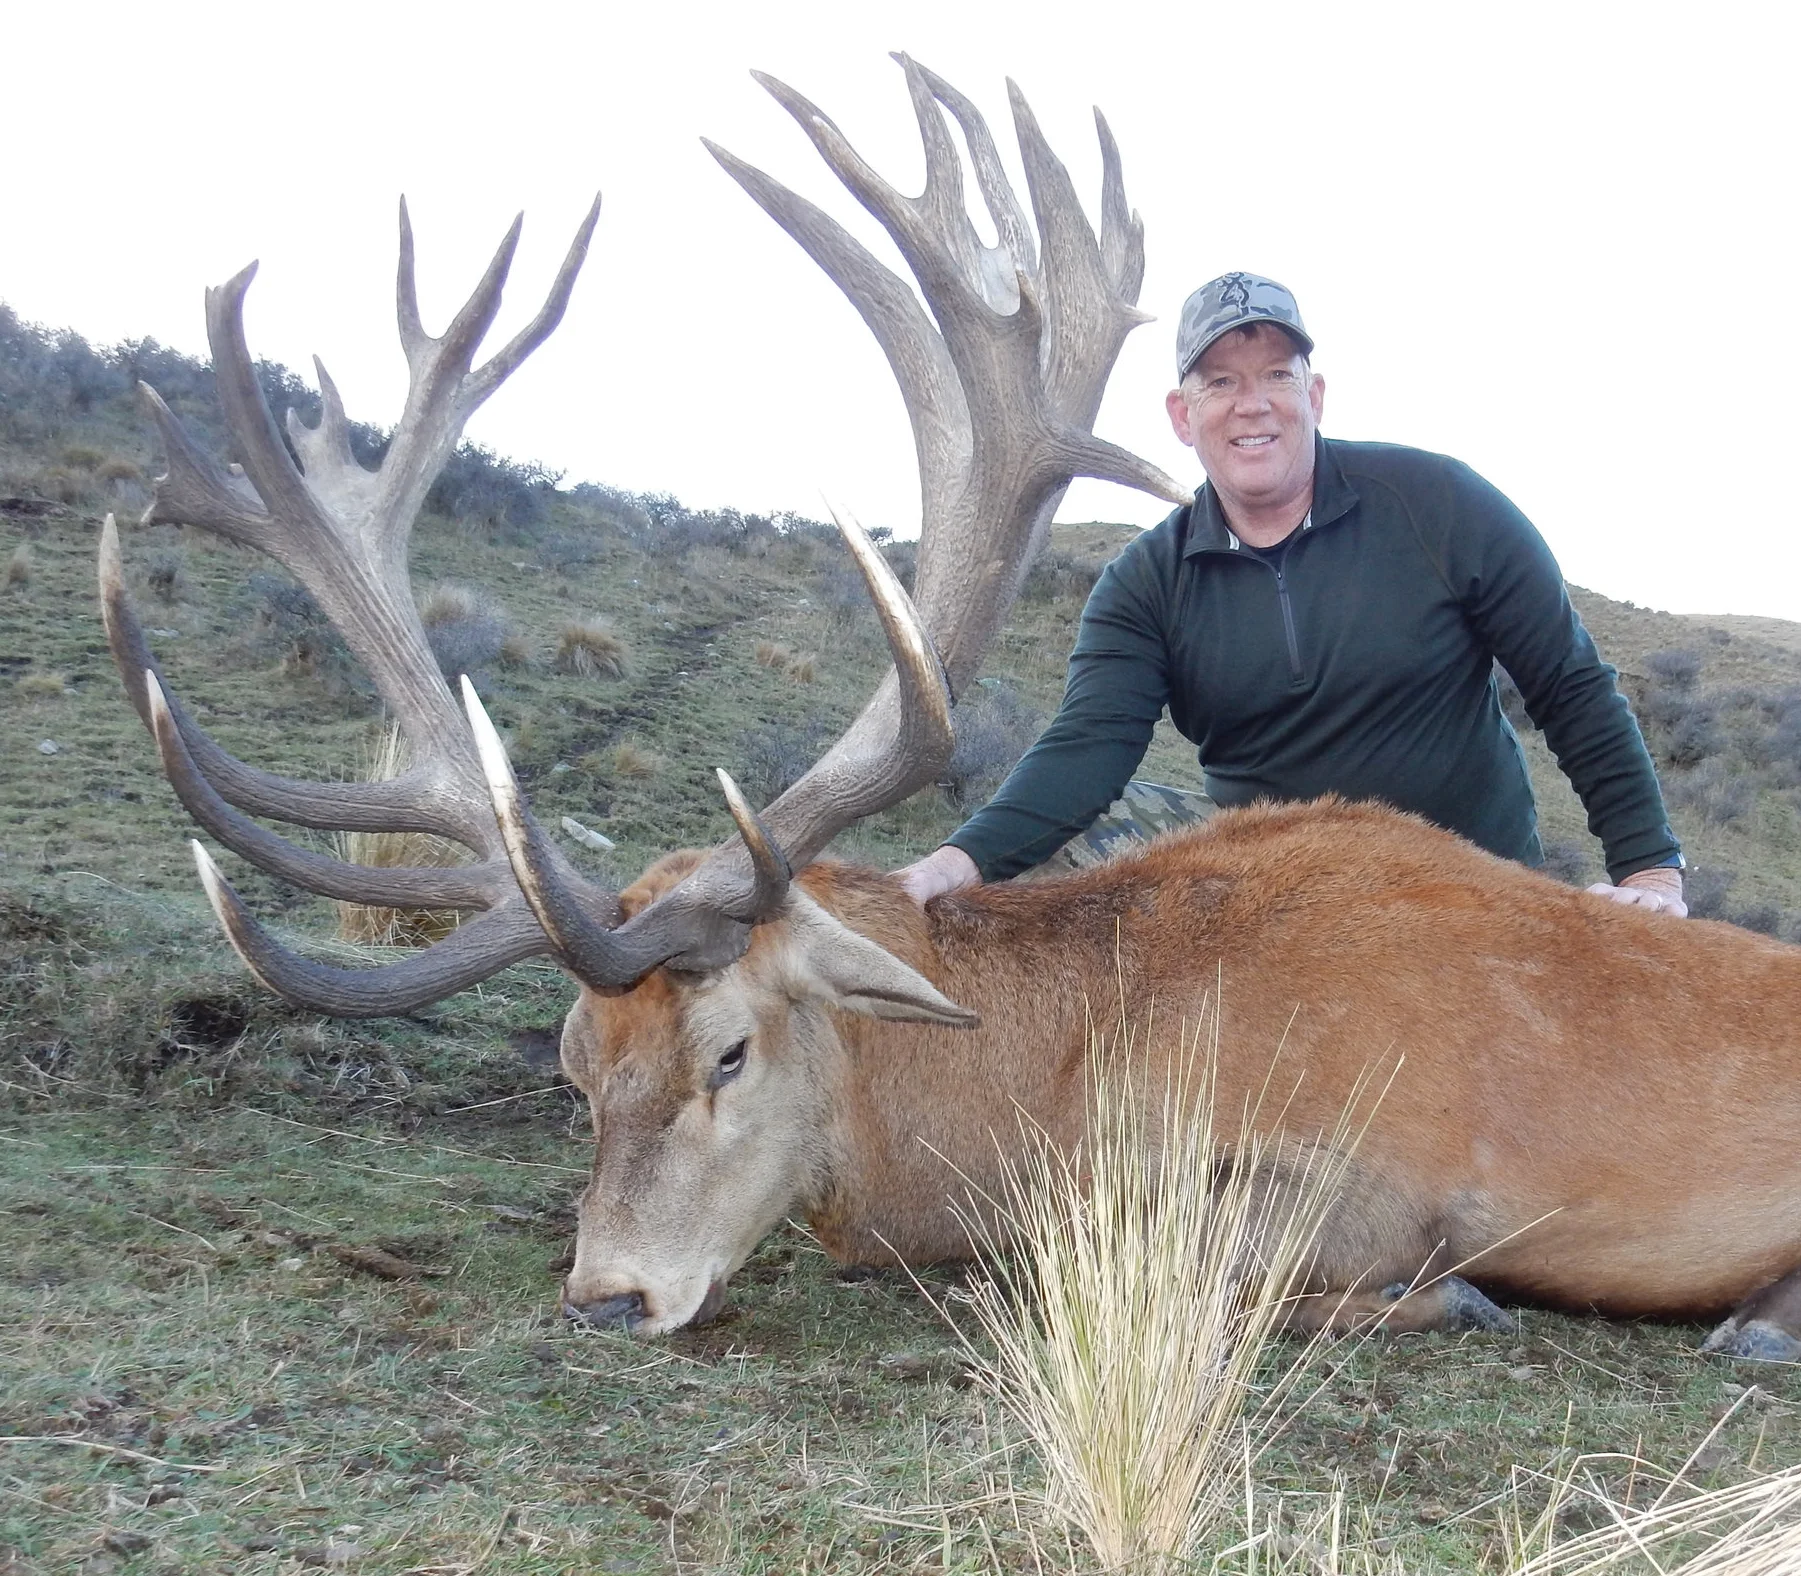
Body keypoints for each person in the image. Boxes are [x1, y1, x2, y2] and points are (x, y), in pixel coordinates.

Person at [898, 272, 1687, 915]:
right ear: (1182, 414)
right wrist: (954, 862)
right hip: (1278, 895)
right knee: (1118, 840)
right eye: (1221, 382)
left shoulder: (1439, 503)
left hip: (1467, 877)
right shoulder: (1145, 583)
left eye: (1277, 374)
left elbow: (1570, 683)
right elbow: (1087, 746)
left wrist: (1649, 869)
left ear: (1313, 397)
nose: (1253, 403)